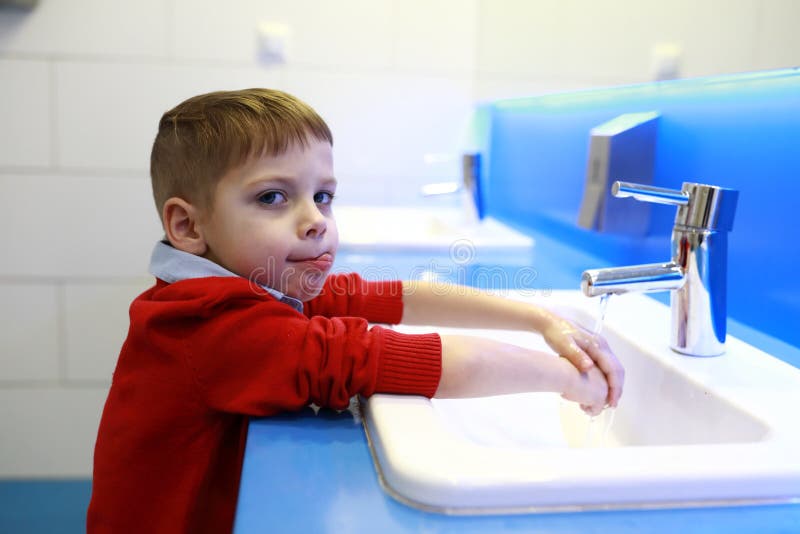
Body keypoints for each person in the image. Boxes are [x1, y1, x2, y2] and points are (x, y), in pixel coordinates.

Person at [87, 88, 624, 533]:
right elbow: (399, 358)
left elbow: (400, 296)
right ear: (188, 227)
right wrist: (568, 378)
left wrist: (540, 319)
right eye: (273, 197)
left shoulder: (259, 282)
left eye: (323, 196)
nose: (315, 219)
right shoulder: (212, 326)